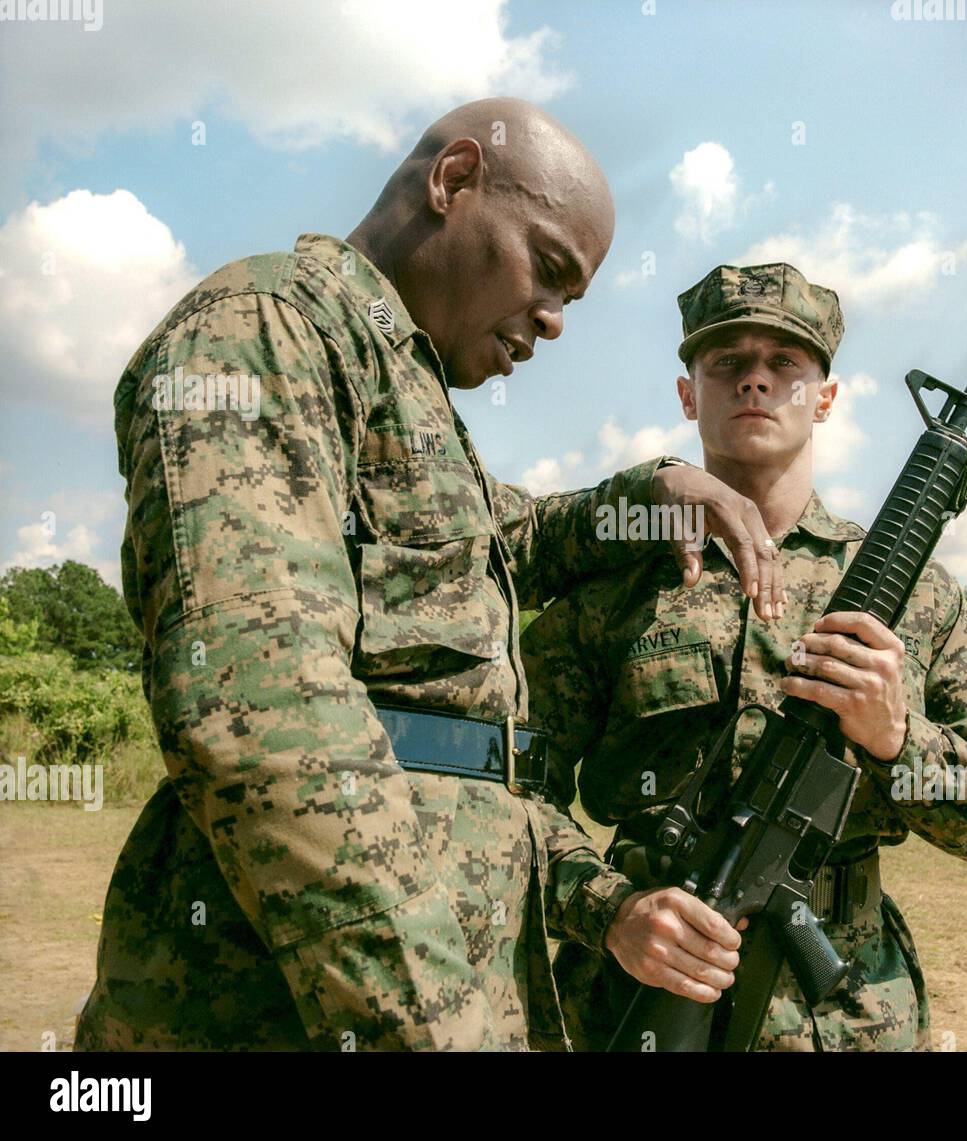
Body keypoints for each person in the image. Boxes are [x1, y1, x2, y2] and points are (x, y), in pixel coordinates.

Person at [76, 99, 780, 1052]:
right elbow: (263, 713)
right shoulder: (270, 332)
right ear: (453, 180)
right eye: (551, 269)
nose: (557, 321)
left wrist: (653, 491)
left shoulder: (402, 381)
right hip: (281, 1004)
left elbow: (508, 535)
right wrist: (435, 1020)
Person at [520, 261, 967, 1051]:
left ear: (825, 398)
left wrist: (899, 738)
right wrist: (609, 909)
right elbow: (511, 790)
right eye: (727, 363)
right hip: (638, 994)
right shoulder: (612, 589)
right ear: (688, 393)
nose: (754, 381)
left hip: (849, 1015)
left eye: (784, 364)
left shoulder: (918, 597)